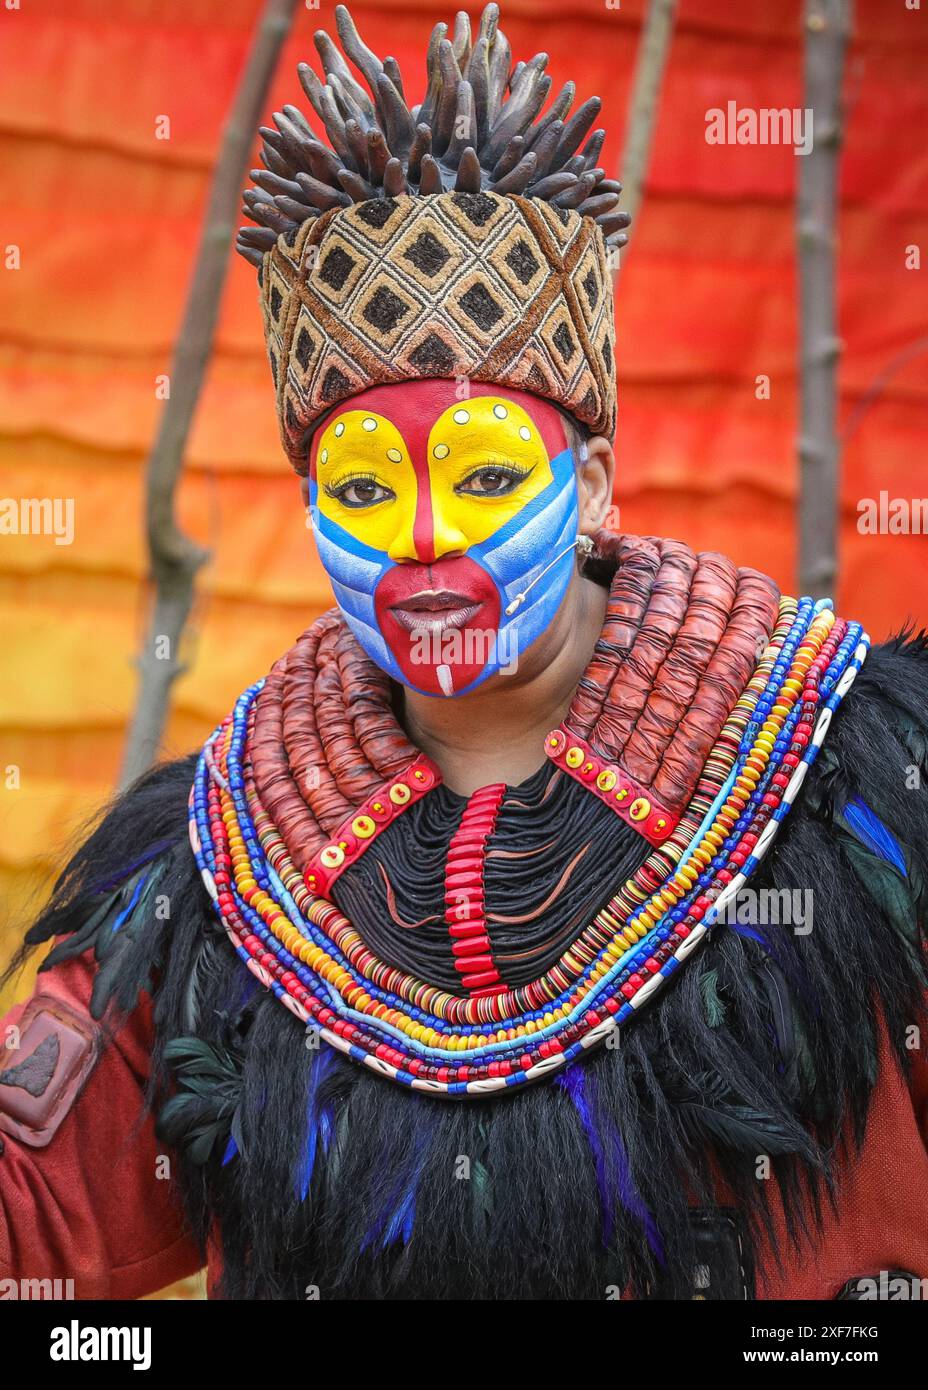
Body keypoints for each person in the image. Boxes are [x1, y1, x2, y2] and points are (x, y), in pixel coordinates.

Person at [2, 4, 927, 1302]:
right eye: (368, 492)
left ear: (595, 484)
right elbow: (33, 1209)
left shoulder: (863, 787)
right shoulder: (218, 874)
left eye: (485, 475)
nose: (426, 541)